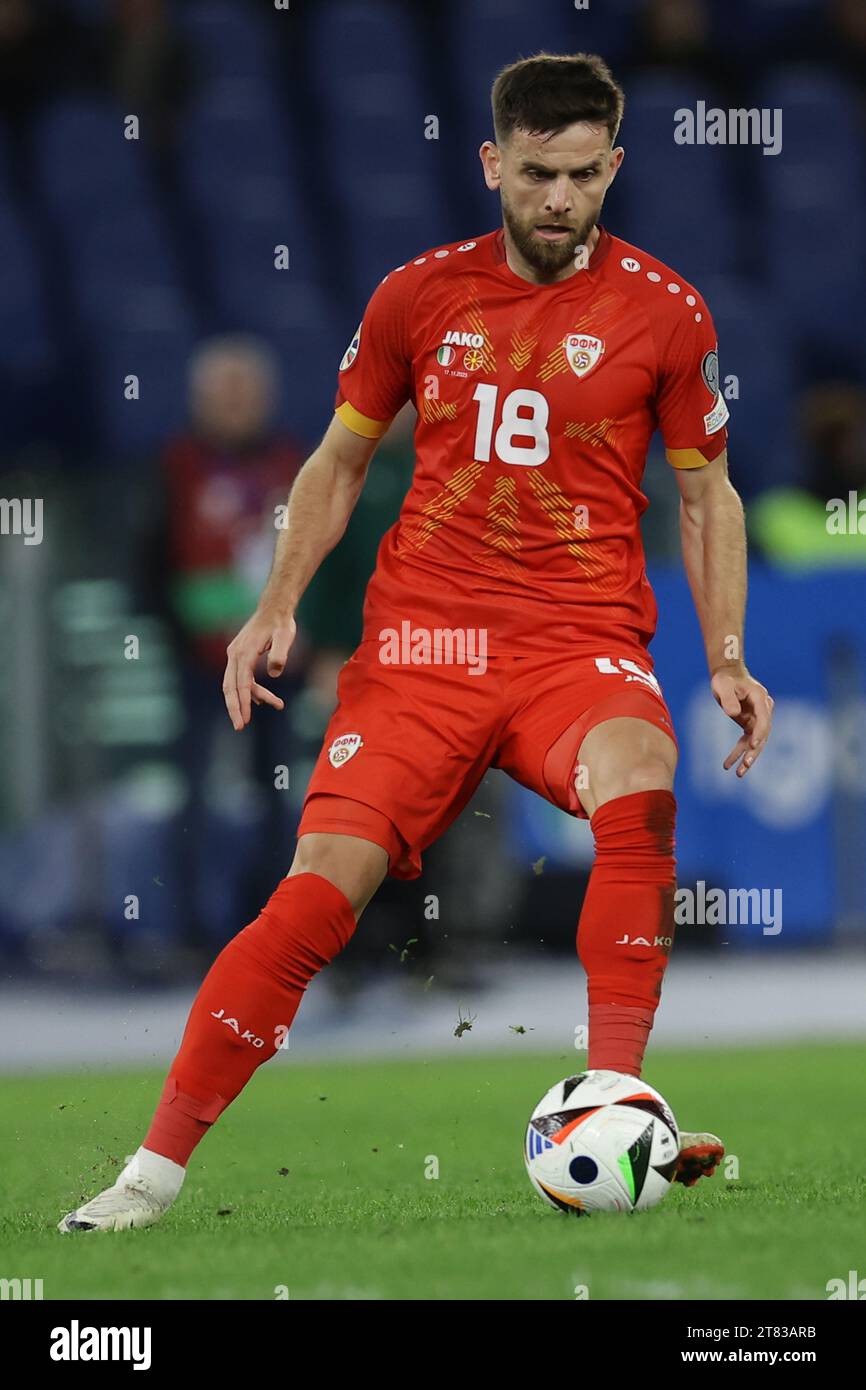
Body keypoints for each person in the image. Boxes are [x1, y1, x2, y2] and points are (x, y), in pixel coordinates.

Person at [60, 52, 773, 1232]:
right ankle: (149, 1176)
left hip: (575, 641)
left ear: (615, 168)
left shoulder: (667, 311)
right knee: (311, 901)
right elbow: (338, 461)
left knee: (640, 777)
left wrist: (728, 655)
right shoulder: (416, 297)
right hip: (422, 649)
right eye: (537, 173)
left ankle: (614, 1097)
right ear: (492, 162)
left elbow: (708, 497)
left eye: (583, 176)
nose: (558, 199)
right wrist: (280, 600)